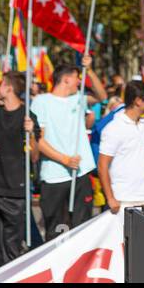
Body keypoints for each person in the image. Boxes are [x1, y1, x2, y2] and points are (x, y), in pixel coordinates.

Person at [31, 59, 102, 238]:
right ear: (66, 80)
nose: (80, 81)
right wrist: (64, 159)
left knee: (82, 229)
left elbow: (102, 96)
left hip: (80, 174)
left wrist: (90, 70)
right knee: (57, 231)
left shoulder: (78, 99)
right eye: (78, 78)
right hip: (54, 176)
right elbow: (38, 139)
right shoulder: (41, 101)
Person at [0, 73, 40, 271]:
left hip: (15, 191)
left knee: (12, 249)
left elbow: (35, 156)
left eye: (2, 83)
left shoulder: (28, 116)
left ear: (9, 88)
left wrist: (31, 134)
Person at [98, 81, 144, 213]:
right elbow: (103, 165)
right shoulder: (113, 128)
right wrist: (110, 198)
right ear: (138, 101)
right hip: (124, 199)